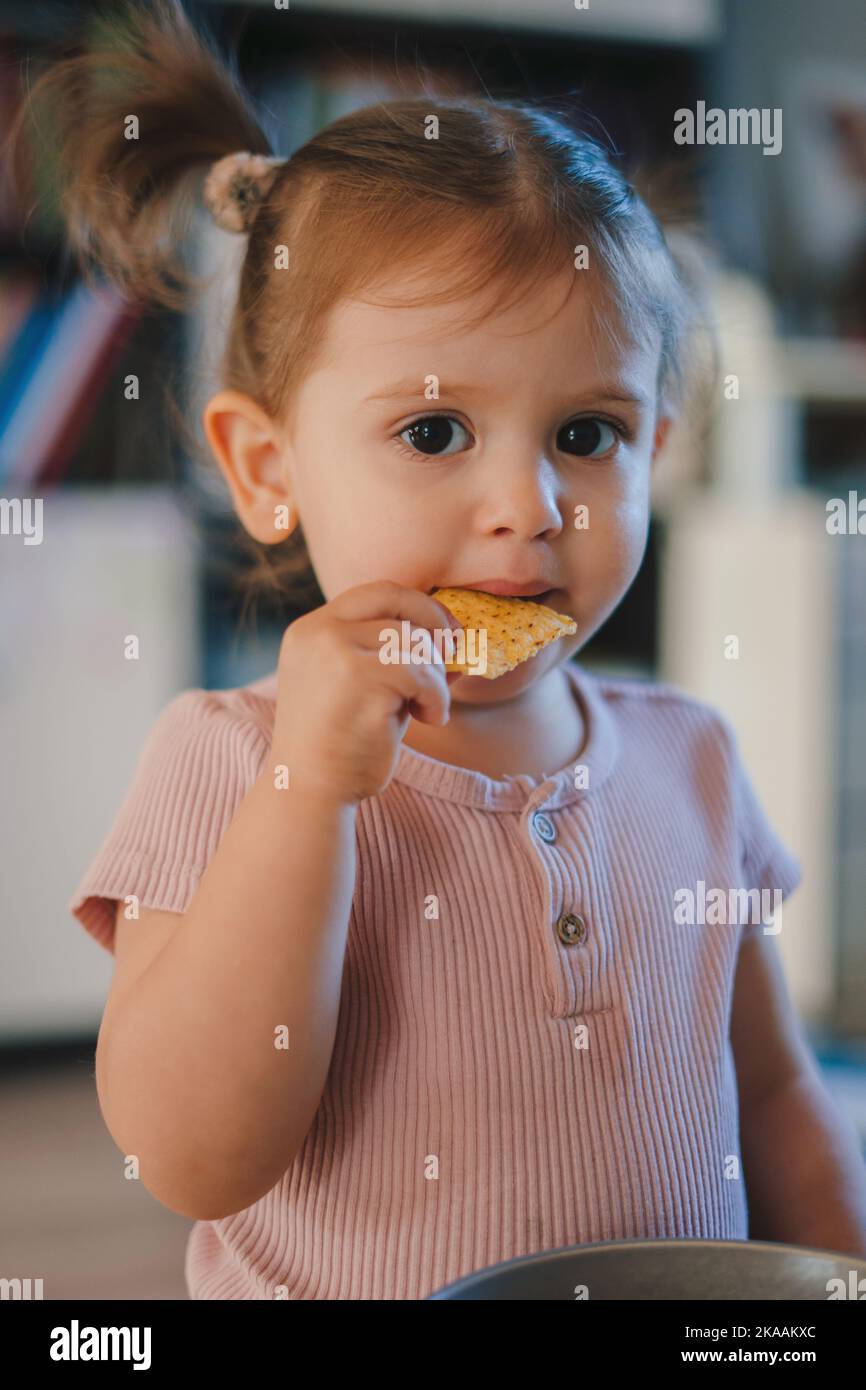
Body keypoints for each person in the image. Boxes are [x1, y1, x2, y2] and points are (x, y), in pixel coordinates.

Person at [15, 0, 865, 1298]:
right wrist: (309, 792)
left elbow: (779, 1104)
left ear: (659, 439)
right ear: (267, 466)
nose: (526, 504)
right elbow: (193, 1156)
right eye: (431, 435)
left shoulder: (692, 761)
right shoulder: (227, 761)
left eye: (588, 433)